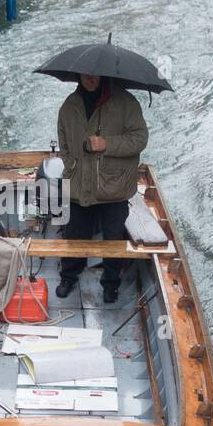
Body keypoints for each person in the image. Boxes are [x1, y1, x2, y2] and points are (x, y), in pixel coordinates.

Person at [55, 73, 149, 305]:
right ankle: (69, 277)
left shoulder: (126, 103)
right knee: (74, 234)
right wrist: (72, 166)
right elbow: (64, 143)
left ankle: (111, 284)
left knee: (113, 239)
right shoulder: (69, 105)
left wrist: (108, 144)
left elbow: (140, 139)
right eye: (85, 74)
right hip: (79, 185)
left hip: (114, 186)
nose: (89, 78)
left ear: (103, 76)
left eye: (94, 75)